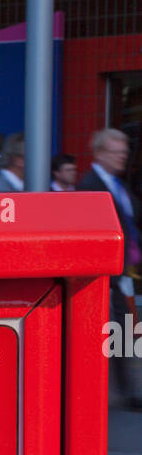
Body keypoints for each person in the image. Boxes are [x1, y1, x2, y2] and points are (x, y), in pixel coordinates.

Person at [78, 128, 142, 408]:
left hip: (126, 269)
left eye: (125, 152)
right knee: (113, 331)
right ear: (100, 154)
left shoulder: (118, 184)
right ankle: (116, 392)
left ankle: (125, 390)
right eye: (117, 152)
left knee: (121, 329)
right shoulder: (89, 186)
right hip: (108, 271)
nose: (122, 157)